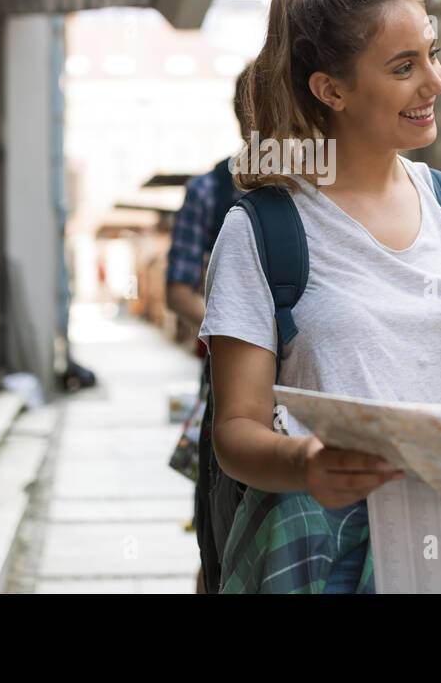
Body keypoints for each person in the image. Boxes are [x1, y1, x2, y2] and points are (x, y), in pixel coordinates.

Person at [199, 0, 441, 593]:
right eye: (403, 67)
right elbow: (236, 430)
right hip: (334, 563)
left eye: (432, 54)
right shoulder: (263, 231)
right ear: (330, 90)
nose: (435, 83)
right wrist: (307, 462)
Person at [165, 69, 250, 593]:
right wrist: (234, 331)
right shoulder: (208, 190)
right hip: (225, 377)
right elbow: (177, 289)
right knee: (218, 522)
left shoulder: (313, 183)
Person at [165, 69, 251, 347]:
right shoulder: (207, 191)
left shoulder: (309, 187)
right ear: (242, 119)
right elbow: (179, 292)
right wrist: (236, 342)